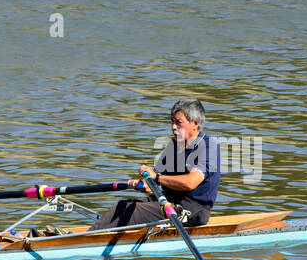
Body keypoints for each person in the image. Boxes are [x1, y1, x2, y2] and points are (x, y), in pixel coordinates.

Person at [90, 98, 221, 230]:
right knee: (121, 205)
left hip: (192, 210)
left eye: (178, 123)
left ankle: (90, 242)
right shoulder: (174, 145)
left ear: (195, 123)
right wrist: (144, 185)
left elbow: (190, 182)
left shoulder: (209, 147)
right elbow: (156, 179)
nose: (173, 127)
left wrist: (156, 178)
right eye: (172, 121)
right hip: (168, 201)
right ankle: (88, 237)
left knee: (135, 211)